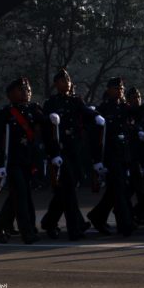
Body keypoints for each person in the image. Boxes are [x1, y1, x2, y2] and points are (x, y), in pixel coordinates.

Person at [40, 69, 99, 240]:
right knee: (69, 191)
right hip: (60, 151)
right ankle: (75, 229)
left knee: (65, 191)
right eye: (62, 80)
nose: (66, 83)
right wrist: (53, 153)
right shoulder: (51, 103)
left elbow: (86, 112)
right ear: (56, 84)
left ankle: (49, 221)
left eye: (68, 80)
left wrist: (96, 116)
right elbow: (46, 131)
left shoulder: (76, 101)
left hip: (74, 151)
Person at [0, 78, 47, 244]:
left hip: (28, 161)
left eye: (28, 89)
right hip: (12, 162)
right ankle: (26, 232)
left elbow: (42, 126)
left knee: (19, 195)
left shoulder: (33, 110)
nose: (26, 92)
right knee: (21, 196)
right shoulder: (4, 114)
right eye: (21, 89)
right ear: (10, 94)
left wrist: (51, 118)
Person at [87, 77, 137, 237]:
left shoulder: (124, 108)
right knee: (119, 189)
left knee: (116, 190)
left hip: (123, 155)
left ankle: (97, 216)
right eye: (116, 88)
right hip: (110, 156)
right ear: (108, 90)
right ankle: (125, 225)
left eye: (121, 88)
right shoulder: (102, 110)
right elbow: (96, 138)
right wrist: (97, 161)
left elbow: (138, 113)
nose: (120, 91)